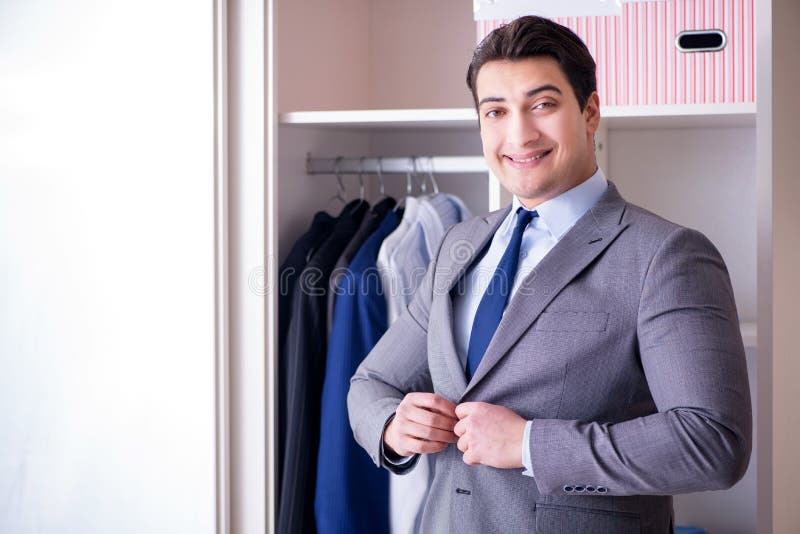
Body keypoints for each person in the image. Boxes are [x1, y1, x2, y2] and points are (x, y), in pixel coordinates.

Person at [347, 15, 751, 533]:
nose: (519, 132)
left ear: (590, 112)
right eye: (495, 111)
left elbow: (713, 442)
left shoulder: (667, 255)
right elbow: (371, 382)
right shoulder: (459, 244)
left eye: (542, 104)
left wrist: (529, 445)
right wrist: (392, 425)